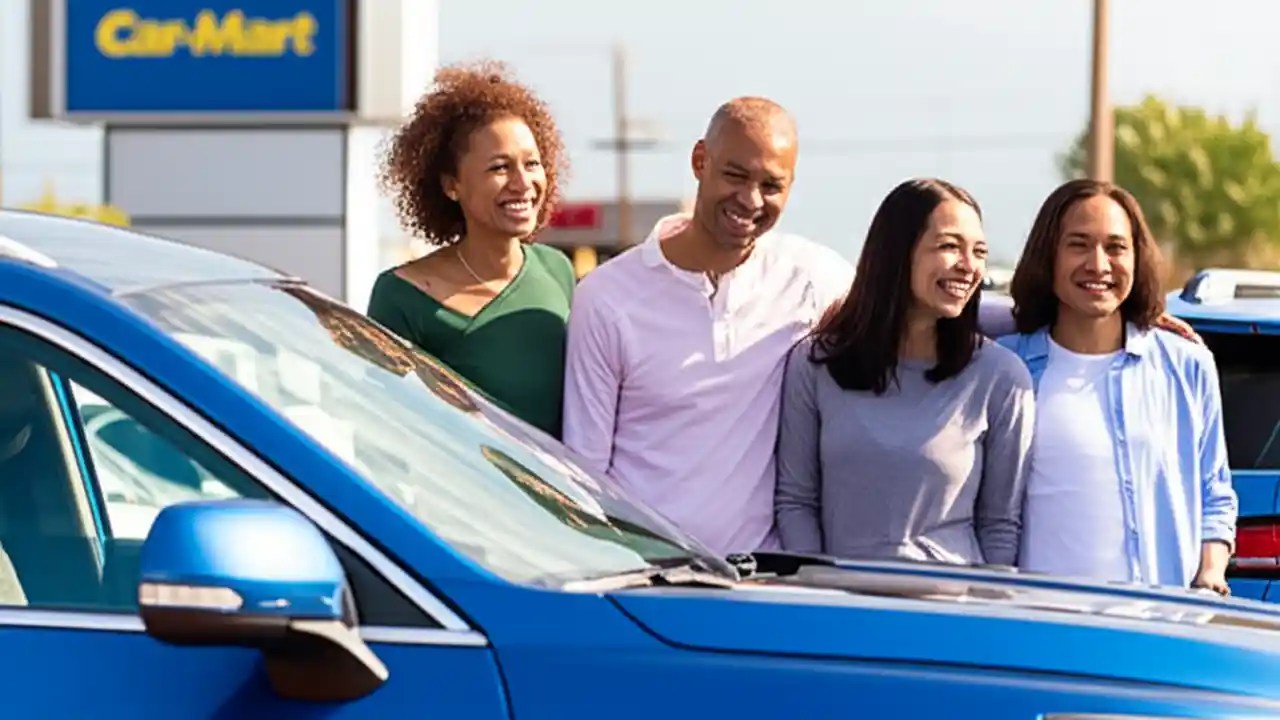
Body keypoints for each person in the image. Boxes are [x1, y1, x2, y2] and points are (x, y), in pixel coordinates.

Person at [561, 97, 854, 556]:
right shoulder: (606, 298)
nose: (751, 199)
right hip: (643, 577)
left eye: (771, 185)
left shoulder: (813, 279)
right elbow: (585, 469)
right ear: (700, 161)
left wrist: (1009, 315)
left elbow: (906, 313)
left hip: (763, 581)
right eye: (735, 176)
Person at [774, 178, 1035, 566]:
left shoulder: (1002, 377)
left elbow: (1000, 524)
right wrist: (818, 594)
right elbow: (796, 502)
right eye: (949, 246)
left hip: (953, 610)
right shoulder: (814, 364)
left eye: (978, 251)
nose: (969, 266)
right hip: (841, 607)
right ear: (897, 253)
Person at [997, 179, 1238, 594]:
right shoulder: (1003, 368)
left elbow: (1215, 493)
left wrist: (1210, 573)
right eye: (1078, 244)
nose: (1098, 264)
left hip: (1158, 631)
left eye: (1115, 247)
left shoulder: (1187, 365)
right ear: (1047, 256)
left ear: (1137, 256)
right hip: (1038, 631)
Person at [369, 61, 576, 438]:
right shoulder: (401, 296)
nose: (522, 183)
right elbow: (386, 433)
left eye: (532, 164)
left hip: (556, 496)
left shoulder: (557, 270)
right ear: (452, 186)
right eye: (500, 168)